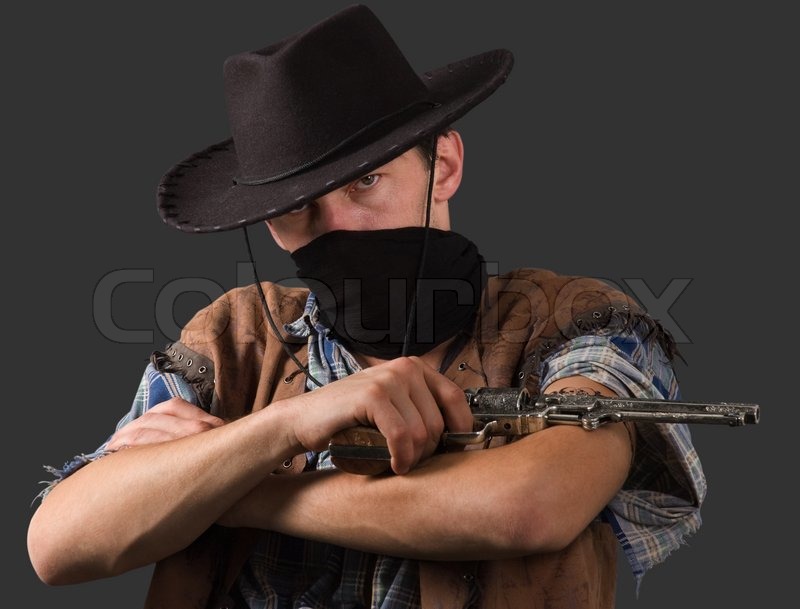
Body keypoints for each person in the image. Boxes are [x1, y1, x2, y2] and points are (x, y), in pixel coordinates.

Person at [27, 5, 705, 608]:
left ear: (443, 165)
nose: (338, 228)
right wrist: (288, 425)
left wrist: (242, 489)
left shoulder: (577, 321)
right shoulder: (234, 339)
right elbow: (60, 541)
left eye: (366, 181)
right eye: (297, 207)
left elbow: (534, 505)